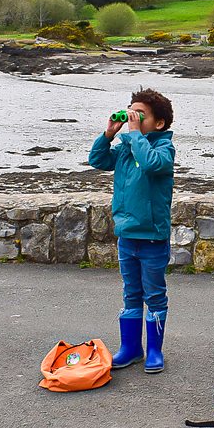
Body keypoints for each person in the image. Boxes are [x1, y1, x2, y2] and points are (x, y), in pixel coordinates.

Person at [89, 88, 176, 373]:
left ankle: (154, 350)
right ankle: (130, 348)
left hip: (152, 236)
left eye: (139, 115)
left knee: (154, 295)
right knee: (131, 294)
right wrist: (109, 134)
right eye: (130, 111)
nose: (131, 118)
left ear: (159, 123)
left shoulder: (164, 149)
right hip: (127, 234)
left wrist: (135, 133)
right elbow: (98, 161)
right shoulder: (127, 148)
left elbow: (151, 164)